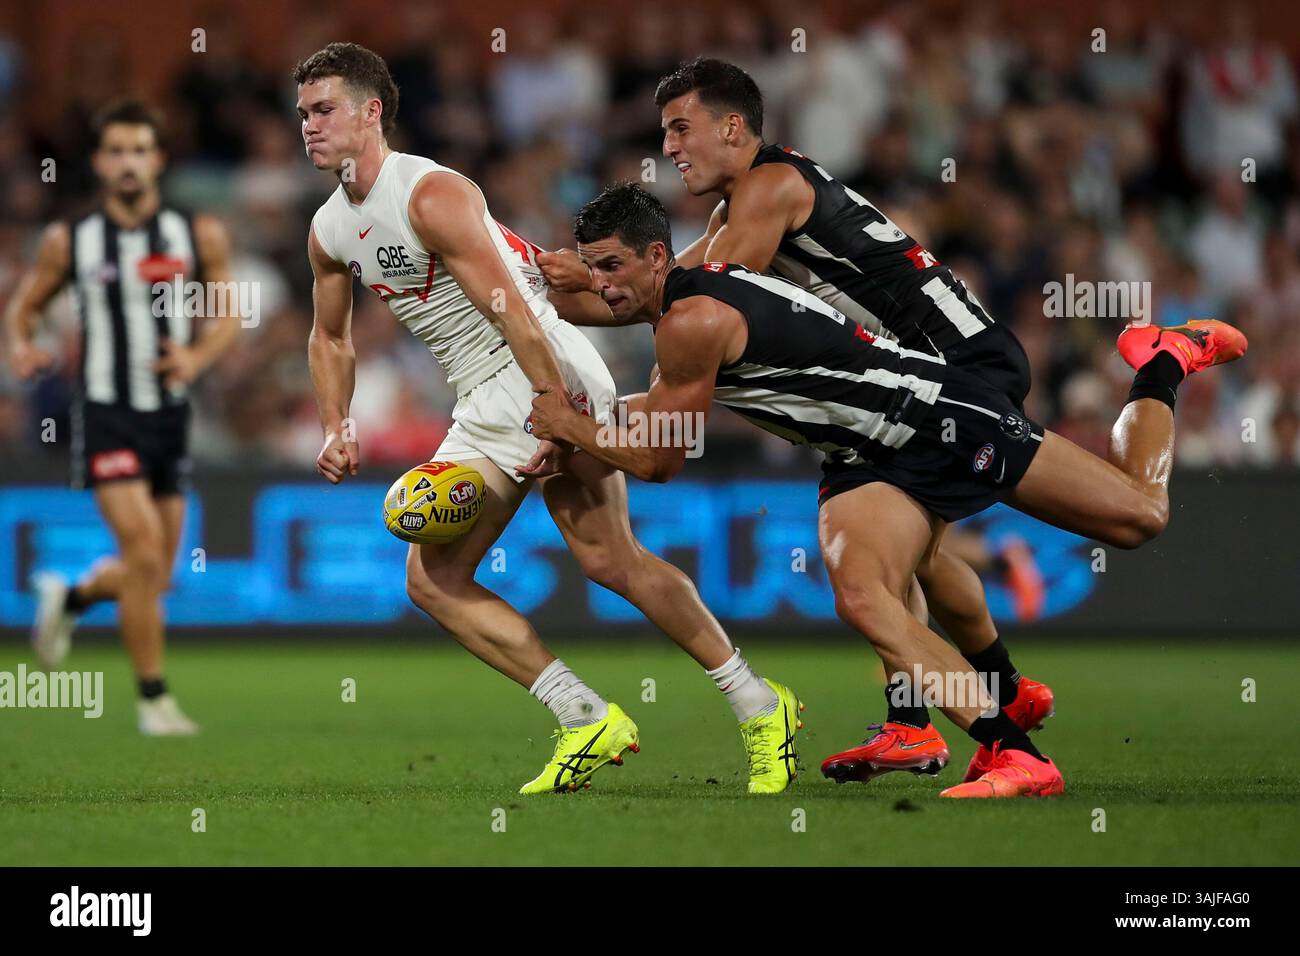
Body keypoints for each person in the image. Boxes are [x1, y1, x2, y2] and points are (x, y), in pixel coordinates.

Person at [527, 182, 1246, 798]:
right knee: (867, 594)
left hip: (935, 417)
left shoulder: (694, 321)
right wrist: (533, 277)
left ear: (657, 257)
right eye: (594, 270)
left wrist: (569, 423)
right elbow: (611, 327)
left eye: (613, 266)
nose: (606, 284)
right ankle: (1012, 748)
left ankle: (1160, 363)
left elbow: (658, 463)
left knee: (1137, 517)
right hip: (865, 451)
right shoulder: (686, 291)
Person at [294, 42, 802, 795]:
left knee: (496, 569)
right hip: (484, 393)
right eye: (303, 113)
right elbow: (328, 337)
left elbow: (514, 310)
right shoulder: (330, 229)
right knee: (577, 565)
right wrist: (336, 421)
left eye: (324, 109)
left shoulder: (428, 194)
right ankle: (643, 711)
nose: (309, 126)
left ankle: (735, 708)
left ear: (372, 112)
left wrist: (552, 410)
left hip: (536, 367)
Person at [539, 57, 1052, 785]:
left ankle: (987, 719)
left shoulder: (766, 189)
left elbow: (699, 312)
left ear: (733, 127)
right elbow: (653, 296)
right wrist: (551, 279)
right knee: (913, 562)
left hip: (943, 371)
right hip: (907, 384)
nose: (672, 147)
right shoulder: (733, 212)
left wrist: (619, 406)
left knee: (908, 565)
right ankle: (984, 700)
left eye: (681, 129)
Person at [4, 101, 240, 734]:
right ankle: (154, 698)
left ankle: (72, 596)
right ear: (100, 162)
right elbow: (23, 307)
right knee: (139, 551)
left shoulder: (198, 233)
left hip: (167, 416)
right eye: (116, 151)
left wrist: (194, 357)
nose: (129, 161)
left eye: (140, 149)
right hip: (105, 412)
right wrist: (22, 344)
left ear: (158, 159)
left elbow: (228, 315)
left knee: (156, 575)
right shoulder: (70, 239)